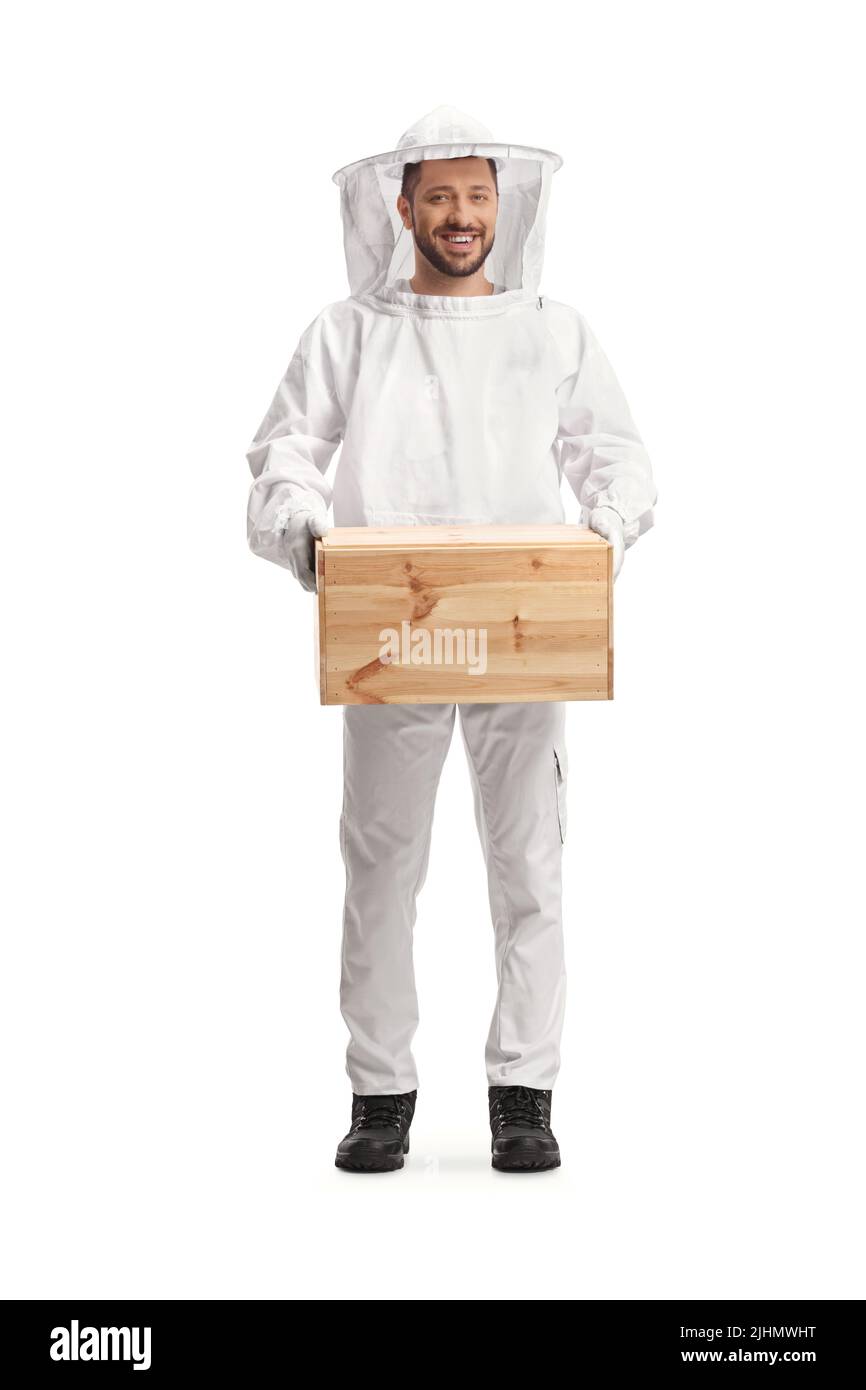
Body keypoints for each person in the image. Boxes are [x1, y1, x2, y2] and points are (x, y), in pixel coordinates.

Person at [245, 105, 658, 1173]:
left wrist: (597, 539)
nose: (460, 215)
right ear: (402, 206)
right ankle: (378, 1092)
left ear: (504, 203)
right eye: (438, 196)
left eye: (476, 195)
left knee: (529, 864)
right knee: (380, 867)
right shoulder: (347, 331)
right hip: (387, 629)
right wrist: (304, 531)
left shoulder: (553, 329)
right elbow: (281, 456)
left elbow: (618, 461)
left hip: (524, 633)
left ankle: (524, 1094)